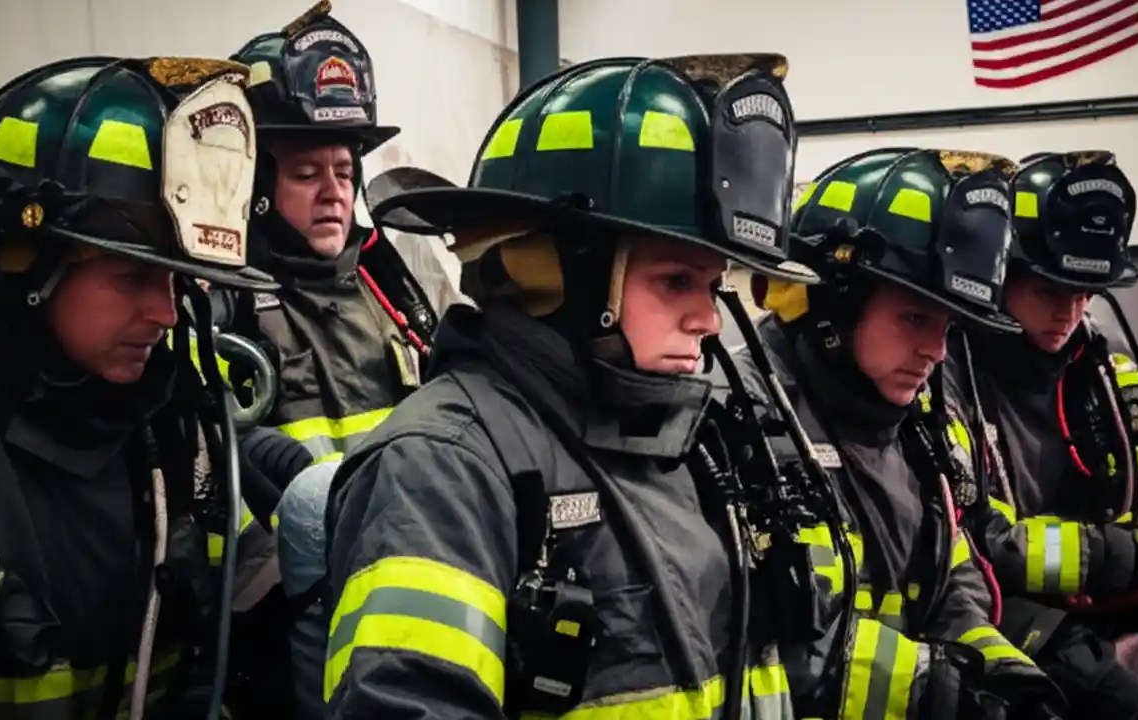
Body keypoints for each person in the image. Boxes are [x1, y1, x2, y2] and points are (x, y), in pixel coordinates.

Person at [322, 52, 823, 718]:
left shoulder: (694, 449)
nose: (707, 321)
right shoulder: (440, 468)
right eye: (676, 281)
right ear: (558, 274)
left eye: (711, 286)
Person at [0, 55, 275, 718]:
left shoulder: (174, 424)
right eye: (132, 277)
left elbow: (255, 604)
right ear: (26, 263)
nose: (166, 313)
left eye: (175, 280)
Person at [738, 147, 1059, 719]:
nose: (936, 351)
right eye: (913, 318)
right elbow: (766, 641)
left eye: (947, 326)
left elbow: (952, 578)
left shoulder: (920, 427)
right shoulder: (740, 423)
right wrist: (937, 691)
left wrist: (999, 671)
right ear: (835, 302)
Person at [213, 4, 445, 713]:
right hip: (283, 629)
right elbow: (203, 459)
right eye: (306, 172)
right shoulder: (218, 301)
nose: (334, 191)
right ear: (255, 186)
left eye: (344, 170)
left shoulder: (390, 283)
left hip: (400, 596)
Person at [941, 150, 1138, 720]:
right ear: (1001, 277)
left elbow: (1121, 500)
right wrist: (1098, 554)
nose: (1071, 313)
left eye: (1085, 295)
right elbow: (970, 537)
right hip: (994, 598)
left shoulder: (1096, 361)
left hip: (1097, 587)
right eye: (1051, 292)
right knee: (1104, 689)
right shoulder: (947, 368)